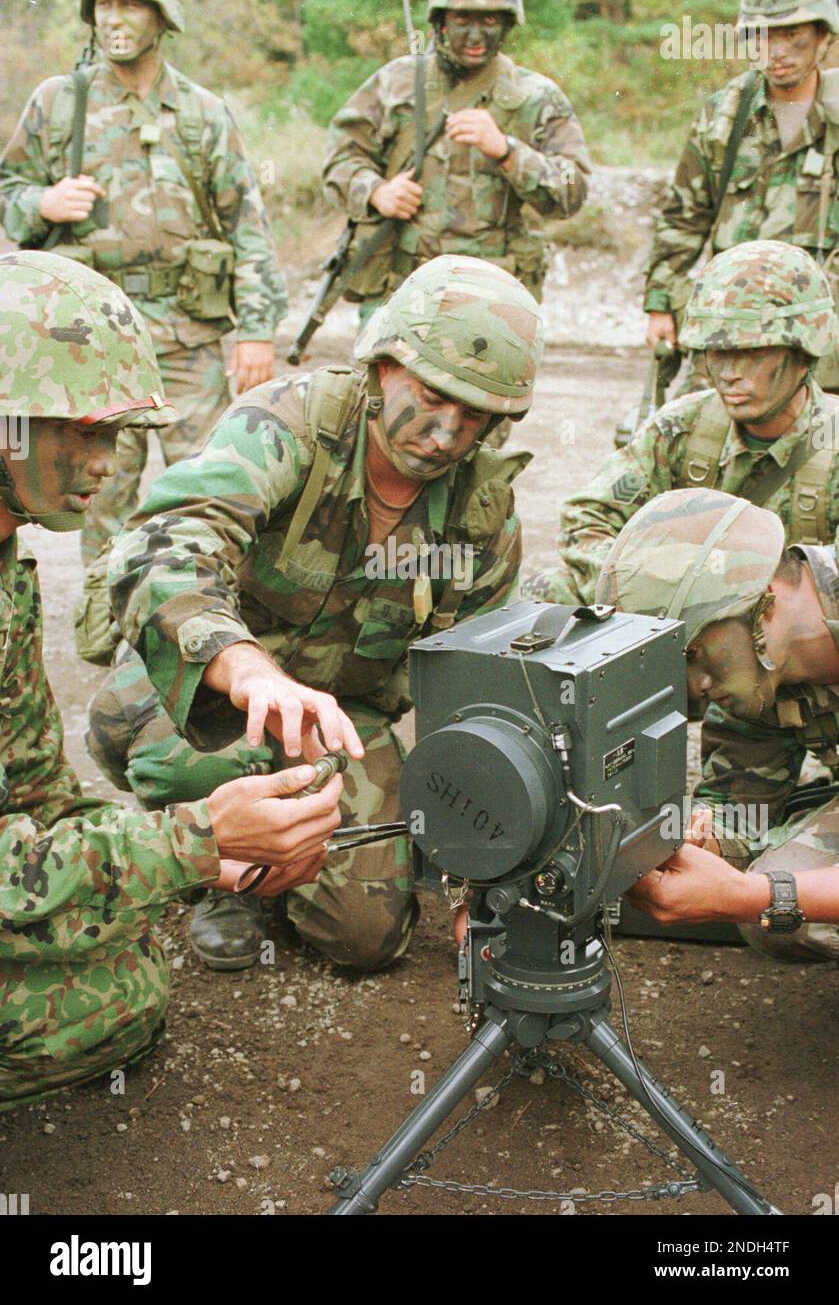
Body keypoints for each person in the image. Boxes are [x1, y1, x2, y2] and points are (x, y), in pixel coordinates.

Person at [83, 254, 543, 973]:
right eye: (430, 395)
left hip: (344, 720)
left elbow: (480, 687)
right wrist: (246, 673)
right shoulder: (289, 424)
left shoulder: (481, 506)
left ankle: (289, 847)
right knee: (156, 751)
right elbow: (167, 541)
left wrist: (479, 874)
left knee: (364, 941)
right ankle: (219, 867)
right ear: (384, 366)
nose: (446, 432)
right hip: (223, 688)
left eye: (475, 415)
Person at [0, 252, 345, 1110]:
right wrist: (191, 839)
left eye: (116, 435)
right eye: (78, 431)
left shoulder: (9, 560)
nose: (104, 465)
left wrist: (212, 866)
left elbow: (36, 795)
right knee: (76, 1014)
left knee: (124, 983)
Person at [0, 0, 287, 565]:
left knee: (218, 487)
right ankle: (109, 641)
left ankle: (208, 621)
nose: (113, 17)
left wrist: (256, 332)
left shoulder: (203, 114)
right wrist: (42, 202)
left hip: (186, 338)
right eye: (102, 3)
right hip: (89, 345)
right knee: (98, 498)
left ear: (163, 17)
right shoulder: (59, 102)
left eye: (130, 3)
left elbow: (248, 227)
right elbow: (9, 190)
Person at [597, 486, 839, 961]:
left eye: (694, 654)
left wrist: (754, 896)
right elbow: (741, 807)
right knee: (783, 921)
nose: (696, 686)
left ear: (762, 605)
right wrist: (696, 841)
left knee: (777, 900)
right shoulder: (758, 680)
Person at [525, 240, 839, 605]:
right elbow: (588, 520)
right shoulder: (683, 426)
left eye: (752, 353)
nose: (728, 374)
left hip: (785, 635)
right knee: (546, 594)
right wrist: (653, 591)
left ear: (805, 350)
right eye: (717, 353)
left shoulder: (830, 447)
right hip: (676, 619)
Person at [322, 0, 590, 323]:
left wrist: (508, 152)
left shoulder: (536, 98)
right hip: (402, 295)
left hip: (494, 306)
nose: (477, 35)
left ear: (508, 22)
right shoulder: (397, 83)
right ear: (441, 21)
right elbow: (339, 160)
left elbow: (573, 190)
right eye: (463, 19)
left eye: (491, 21)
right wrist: (378, 192)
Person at [643, 0, 839, 395]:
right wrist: (659, 305)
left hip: (821, 342)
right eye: (763, 36)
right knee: (704, 449)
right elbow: (683, 216)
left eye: (793, 35)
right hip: (730, 330)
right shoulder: (726, 114)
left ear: (823, 35)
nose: (778, 52)